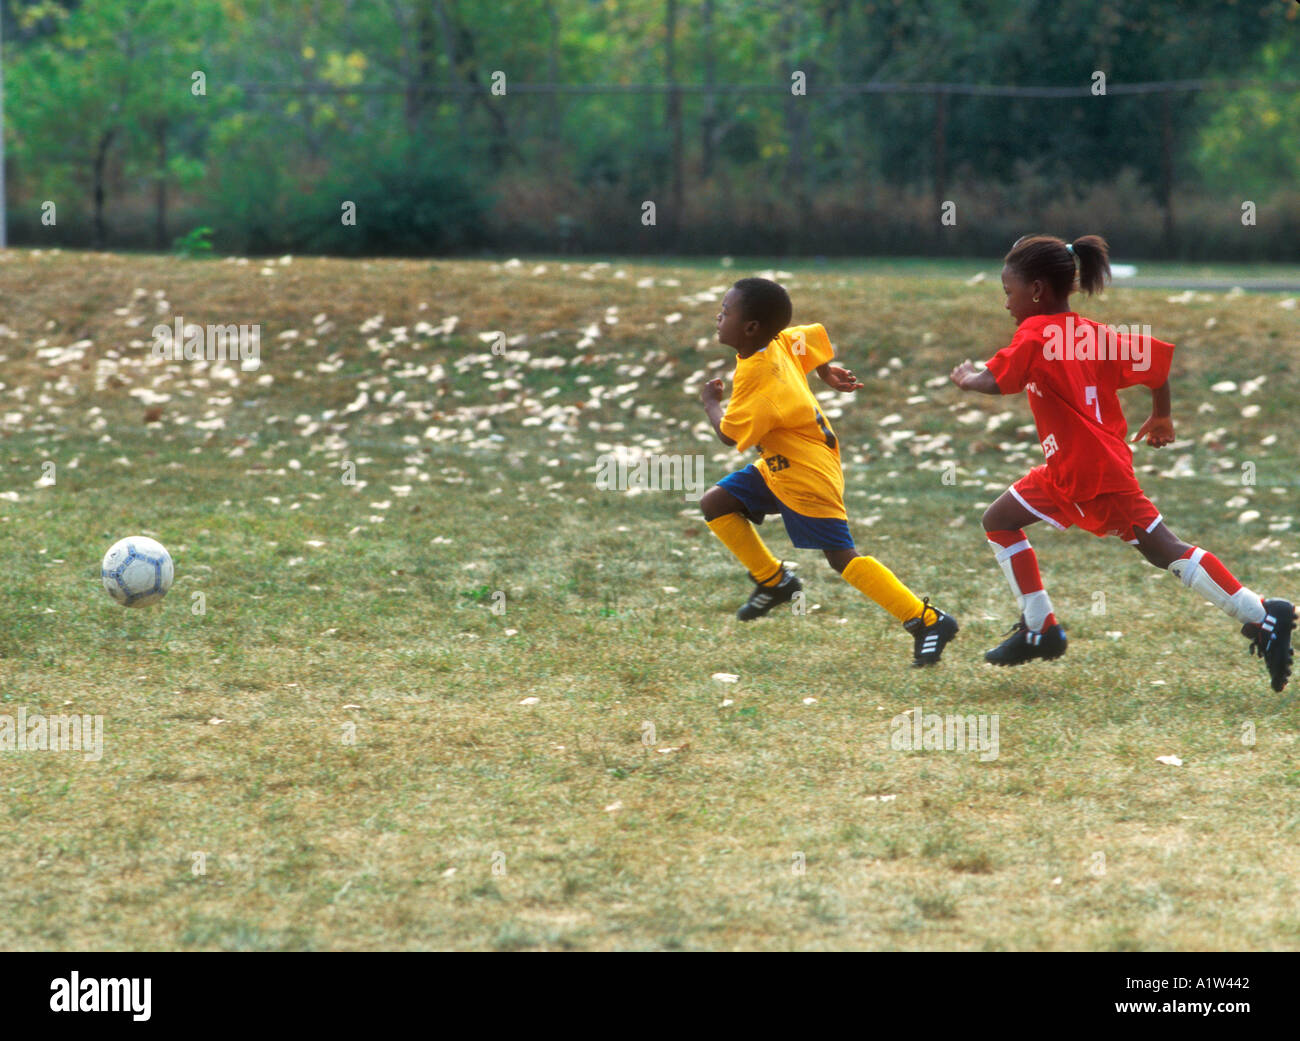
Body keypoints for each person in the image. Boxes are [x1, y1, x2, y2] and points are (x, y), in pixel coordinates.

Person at [950, 234, 1293, 690]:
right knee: (1000, 519)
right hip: (1069, 471)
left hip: (1094, 474)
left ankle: (1263, 615)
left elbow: (998, 380)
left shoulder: (1034, 334)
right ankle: (1040, 629)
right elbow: (1157, 367)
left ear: (1036, 290)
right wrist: (1163, 414)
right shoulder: (1093, 334)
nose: (1006, 303)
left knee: (1163, 549)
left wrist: (967, 380)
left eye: (1008, 292)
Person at [699, 277, 958, 666]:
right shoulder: (774, 342)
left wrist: (709, 403)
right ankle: (776, 582)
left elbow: (726, 434)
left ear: (750, 327)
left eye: (725, 311)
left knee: (841, 557)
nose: (718, 316)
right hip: (781, 464)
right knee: (716, 503)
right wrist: (825, 370)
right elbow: (803, 340)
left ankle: (927, 620)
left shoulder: (758, 380)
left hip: (806, 475)